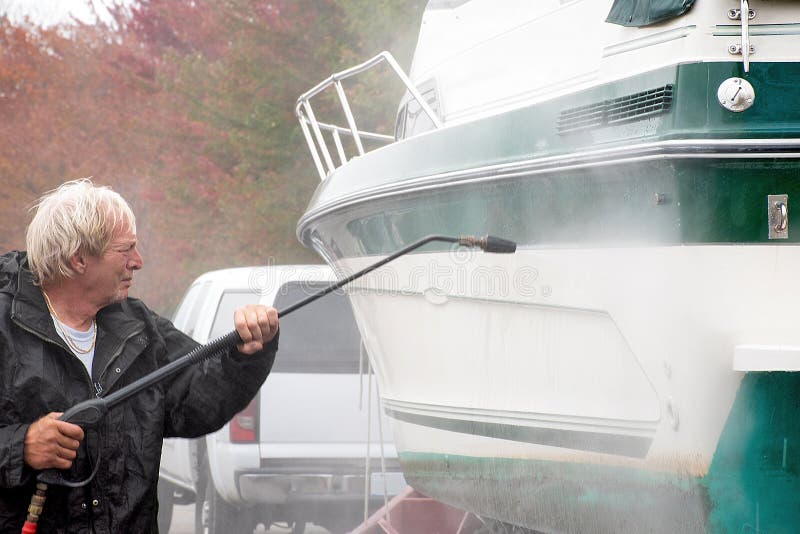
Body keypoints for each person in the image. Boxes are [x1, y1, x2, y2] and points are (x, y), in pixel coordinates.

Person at [0, 179, 279, 533]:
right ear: (78, 258)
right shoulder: (5, 324)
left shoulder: (140, 327)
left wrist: (247, 353)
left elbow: (199, 401)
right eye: (126, 249)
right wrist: (20, 445)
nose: (138, 261)